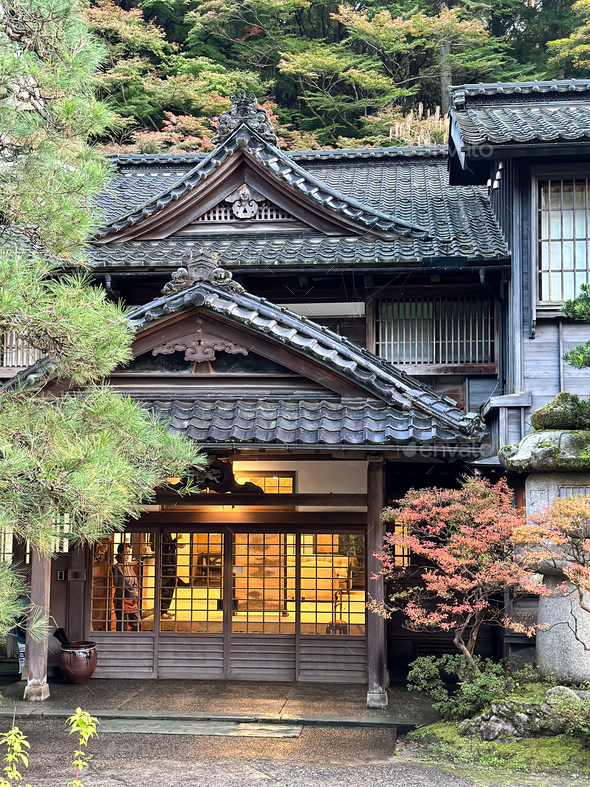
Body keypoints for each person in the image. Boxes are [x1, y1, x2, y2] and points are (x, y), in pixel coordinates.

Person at [112, 542, 140, 631]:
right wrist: (132, 587)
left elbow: (134, 579)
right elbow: (124, 581)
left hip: (132, 597)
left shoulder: (128, 565)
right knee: (122, 623)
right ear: (120, 552)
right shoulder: (117, 567)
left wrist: (135, 589)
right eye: (126, 552)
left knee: (137, 622)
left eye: (128, 553)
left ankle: (134, 638)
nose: (127, 555)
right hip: (122, 596)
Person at [160, 533, 186, 619]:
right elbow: (163, 547)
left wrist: (176, 544)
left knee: (170, 588)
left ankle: (165, 609)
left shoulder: (167, 533)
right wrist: (175, 540)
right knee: (165, 589)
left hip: (171, 564)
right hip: (165, 566)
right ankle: (161, 611)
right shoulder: (162, 533)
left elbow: (169, 546)